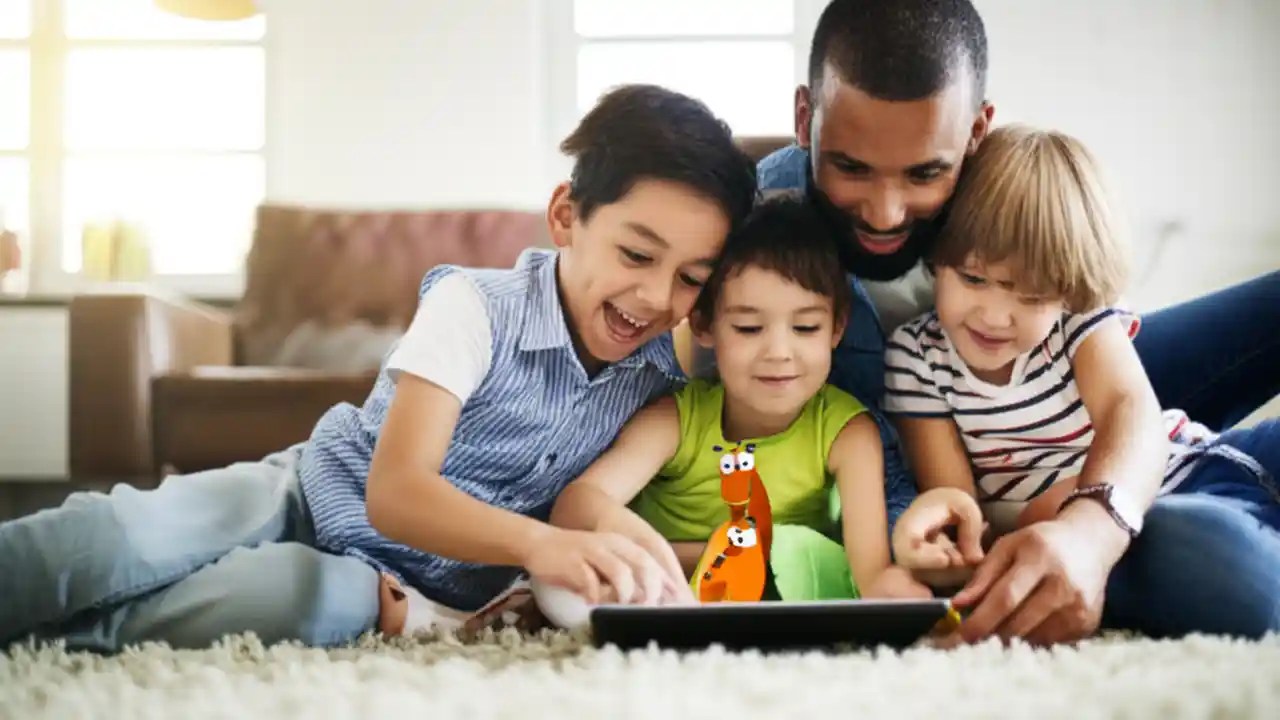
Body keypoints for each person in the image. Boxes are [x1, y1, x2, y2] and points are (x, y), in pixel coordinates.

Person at [0, 84, 757, 652]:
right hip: (308, 491)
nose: (656, 297)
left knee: (307, 602)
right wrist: (538, 545)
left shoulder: (661, 378)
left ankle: (74, 640)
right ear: (566, 216)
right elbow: (396, 493)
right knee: (130, 539)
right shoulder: (475, 305)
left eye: (692, 277)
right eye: (635, 254)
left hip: (387, 585)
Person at [745, 0, 1280, 643]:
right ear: (805, 120)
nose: (886, 215)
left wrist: (1095, 527)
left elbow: (1122, 392)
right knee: (1230, 570)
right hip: (975, 464)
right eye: (850, 167)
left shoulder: (1005, 184)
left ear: (976, 131)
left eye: (926, 173)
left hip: (1070, 379)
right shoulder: (758, 226)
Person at [880, 125, 1280, 645]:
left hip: (1196, 460)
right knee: (1241, 576)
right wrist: (967, 540)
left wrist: (1086, 502)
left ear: (1065, 290)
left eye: (1030, 295)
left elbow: (1126, 406)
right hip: (1161, 524)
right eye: (973, 279)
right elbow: (960, 506)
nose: (995, 315)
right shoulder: (917, 357)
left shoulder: (1076, 321)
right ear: (937, 261)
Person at [536, 197, 933, 629]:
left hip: (778, 589)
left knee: (809, 565)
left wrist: (896, 591)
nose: (779, 353)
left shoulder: (848, 432)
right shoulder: (676, 418)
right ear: (704, 325)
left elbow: (868, 571)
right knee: (561, 580)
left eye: (806, 328)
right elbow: (578, 504)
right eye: (748, 328)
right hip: (660, 587)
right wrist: (652, 551)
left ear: (836, 328)